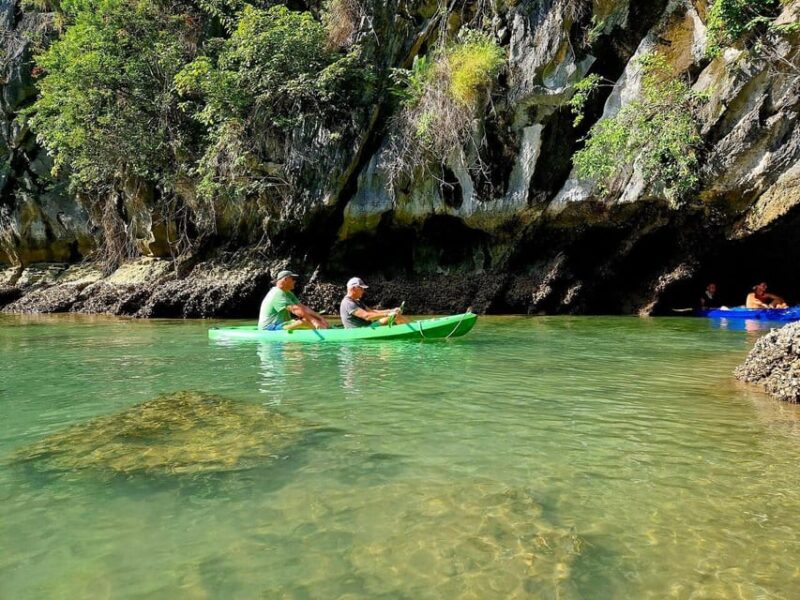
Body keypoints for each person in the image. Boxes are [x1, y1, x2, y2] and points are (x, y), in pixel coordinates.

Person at [258, 270, 329, 330]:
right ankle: (323, 330)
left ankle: (324, 328)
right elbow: (295, 309)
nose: (294, 281)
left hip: (281, 324)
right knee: (302, 322)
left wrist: (320, 318)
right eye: (292, 279)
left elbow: (302, 308)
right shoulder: (276, 293)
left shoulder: (287, 292)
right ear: (285, 279)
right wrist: (314, 321)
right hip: (269, 328)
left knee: (308, 319)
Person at [339, 277, 408, 328]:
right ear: (353, 289)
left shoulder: (357, 301)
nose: (363, 291)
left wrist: (391, 310)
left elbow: (372, 311)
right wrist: (388, 314)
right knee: (395, 317)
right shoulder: (348, 302)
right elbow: (367, 316)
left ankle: (409, 328)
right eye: (361, 288)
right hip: (360, 332)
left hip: (368, 327)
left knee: (395, 315)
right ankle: (411, 330)